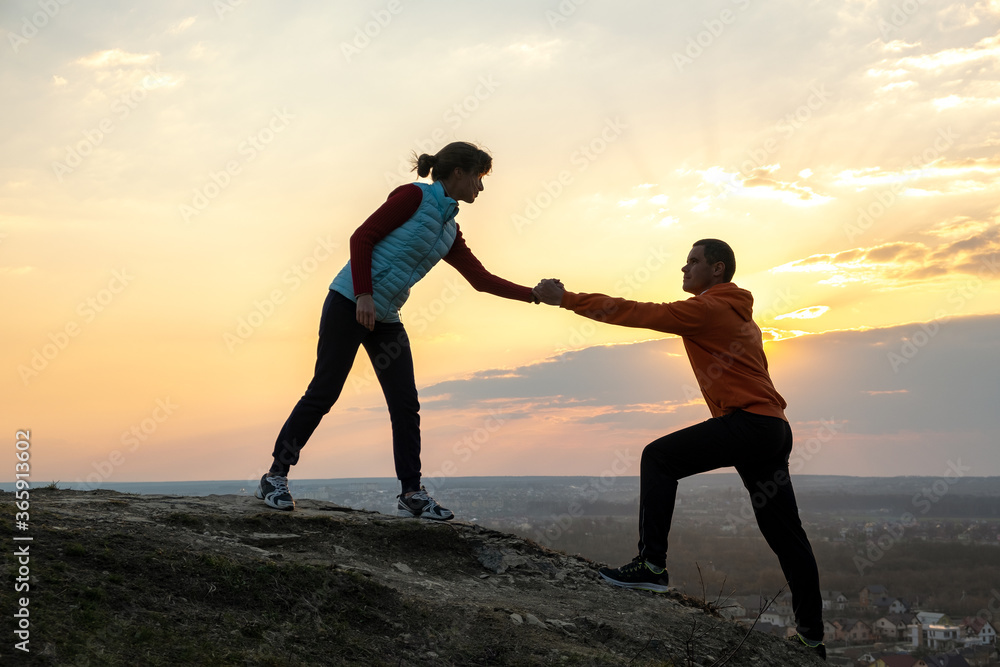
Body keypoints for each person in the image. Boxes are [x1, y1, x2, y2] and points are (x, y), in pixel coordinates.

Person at [533, 239, 826, 659]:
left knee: (658, 457)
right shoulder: (742, 316)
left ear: (718, 269)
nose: (684, 269)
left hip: (748, 423)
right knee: (787, 535)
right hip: (772, 428)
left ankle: (651, 566)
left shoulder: (707, 308)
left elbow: (639, 312)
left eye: (693, 262)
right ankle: (812, 640)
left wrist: (566, 299)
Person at [257, 141, 544, 521]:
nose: (481, 187)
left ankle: (411, 493)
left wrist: (535, 296)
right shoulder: (413, 196)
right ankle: (275, 476)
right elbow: (362, 237)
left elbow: (480, 279)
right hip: (349, 302)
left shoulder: (448, 229)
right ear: (459, 172)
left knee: (405, 404)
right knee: (324, 391)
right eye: (479, 177)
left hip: (386, 316)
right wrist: (363, 294)